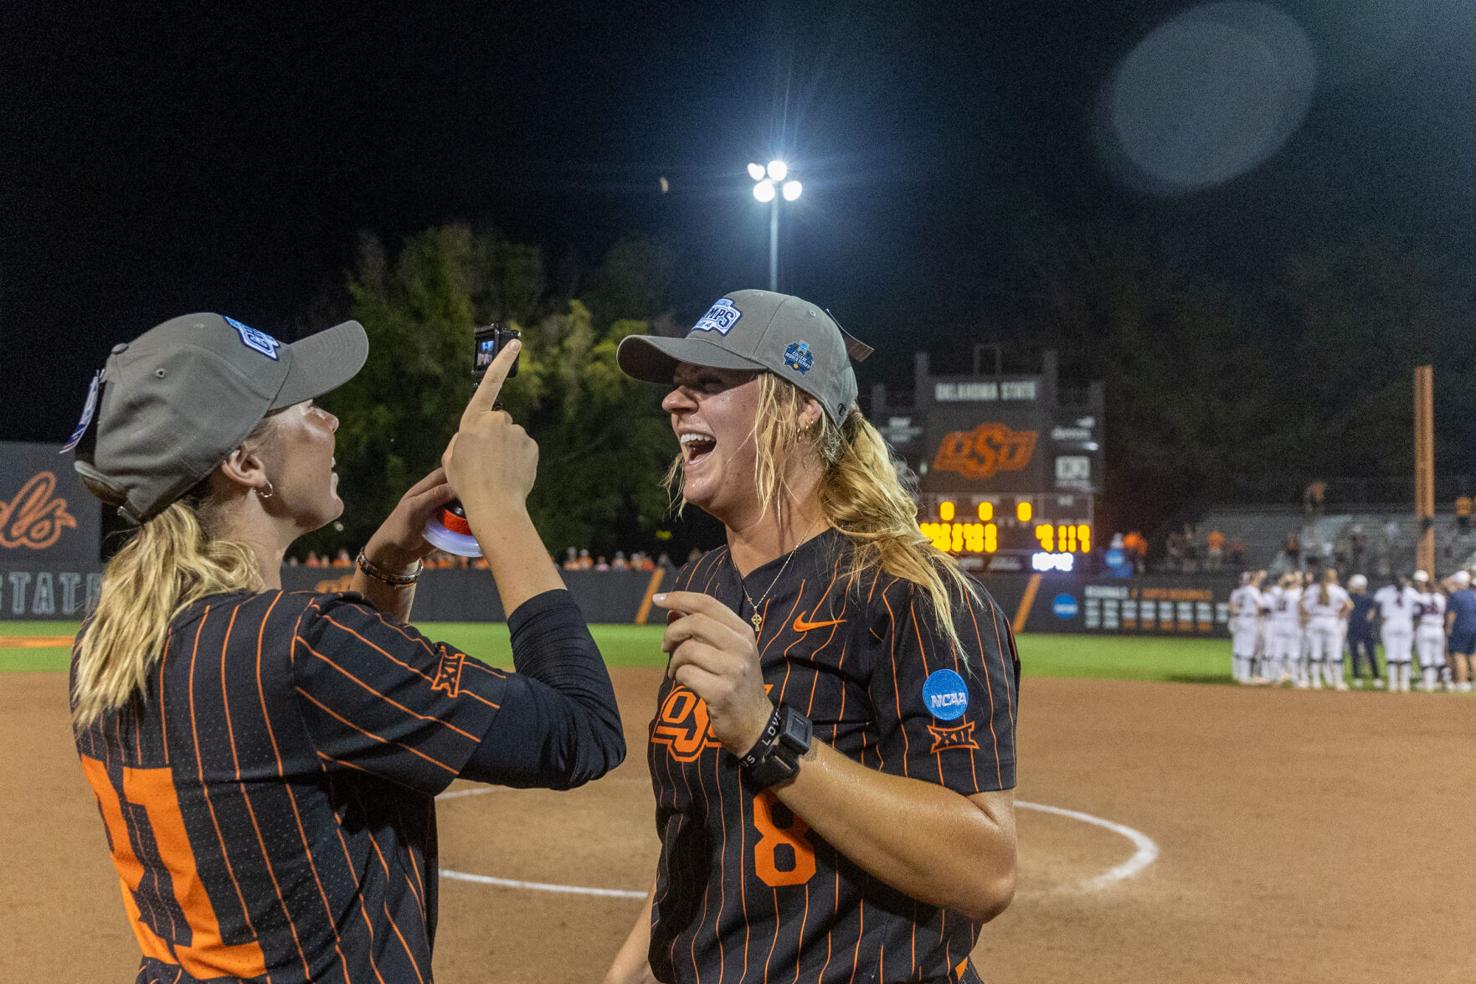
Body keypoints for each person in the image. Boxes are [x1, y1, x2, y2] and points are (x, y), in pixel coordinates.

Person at [67, 313, 625, 983]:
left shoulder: (111, 646)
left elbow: (307, 740)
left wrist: (386, 564)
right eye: (306, 409)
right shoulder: (303, 644)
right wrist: (500, 506)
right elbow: (581, 732)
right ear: (245, 463)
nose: (330, 422)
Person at [605, 291, 1019, 984]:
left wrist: (766, 733)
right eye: (679, 387)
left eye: (708, 383)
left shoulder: (909, 592)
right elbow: (697, 843)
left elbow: (985, 869)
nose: (675, 404)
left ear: (802, 406)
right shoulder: (704, 582)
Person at [1300, 568, 1352, 690]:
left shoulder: (1313, 589)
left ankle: (1316, 682)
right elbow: (1349, 605)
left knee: (1315, 652)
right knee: (1335, 652)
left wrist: (1307, 615)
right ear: (1334, 577)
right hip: (1331, 620)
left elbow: (1302, 603)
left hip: (1315, 620)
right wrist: (1340, 615)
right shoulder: (1337, 590)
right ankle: (1337, 682)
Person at [1373, 574, 1418, 692]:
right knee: (1405, 654)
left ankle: (1393, 684)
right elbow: (1421, 605)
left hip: (1390, 622)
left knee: (1391, 654)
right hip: (1405, 623)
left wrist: (1380, 615)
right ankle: (1404, 684)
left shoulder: (1385, 591)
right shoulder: (1411, 592)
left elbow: (1376, 602)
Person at [1410, 570, 1447, 693]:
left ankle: (1428, 684)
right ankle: (1447, 681)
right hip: (1438, 628)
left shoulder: (1420, 598)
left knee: (1425, 657)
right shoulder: (1440, 598)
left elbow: (1415, 614)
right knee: (1438, 657)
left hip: (1425, 627)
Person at [1442, 570, 1476, 692]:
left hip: (1460, 628)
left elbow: (1452, 614)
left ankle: (1462, 682)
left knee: (1459, 655)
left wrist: (1448, 628)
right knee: (1472, 655)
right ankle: (1474, 683)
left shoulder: (1456, 595)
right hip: (1473, 628)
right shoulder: (1473, 594)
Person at [1344, 574, 1380, 688]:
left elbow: (1372, 611)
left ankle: (1376, 676)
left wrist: (1369, 617)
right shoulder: (1350, 596)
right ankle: (1356, 677)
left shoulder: (1369, 597)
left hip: (1366, 629)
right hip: (1354, 628)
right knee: (1354, 654)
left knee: (1371, 654)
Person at [1228, 571, 1264, 684]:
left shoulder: (1237, 592)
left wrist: (1237, 616)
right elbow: (1260, 606)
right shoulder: (1253, 591)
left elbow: (1232, 607)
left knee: (1238, 648)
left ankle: (1237, 675)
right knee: (1248, 650)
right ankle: (1245, 677)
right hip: (1250, 620)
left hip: (1239, 619)